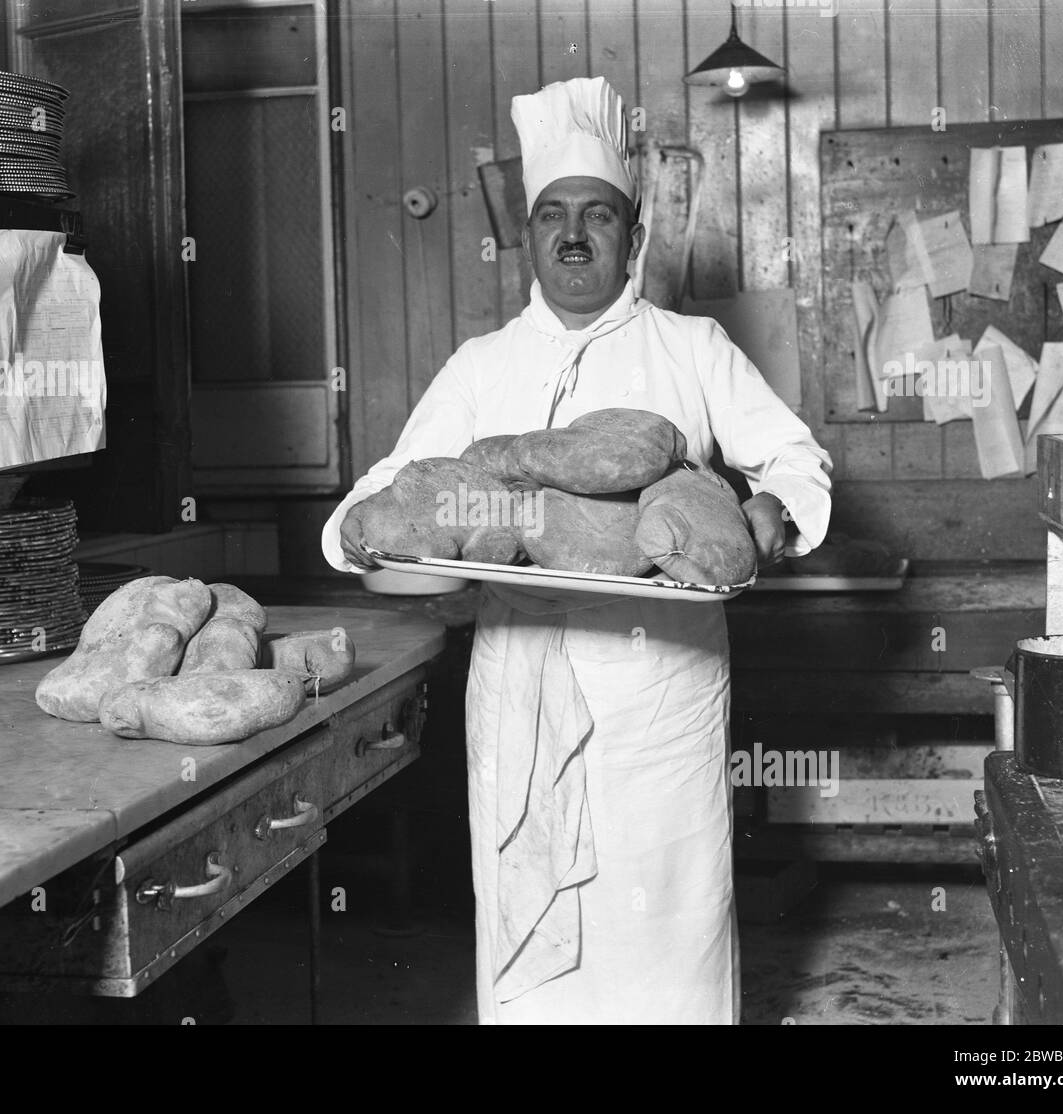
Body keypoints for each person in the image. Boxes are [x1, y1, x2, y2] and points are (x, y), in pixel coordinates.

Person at [321, 76, 832, 1024]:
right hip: (520, 691)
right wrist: (362, 539)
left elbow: (797, 460)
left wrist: (770, 511)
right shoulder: (483, 370)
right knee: (539, 967)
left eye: (597, 215)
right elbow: (378, 498)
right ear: (526, 236)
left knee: (665, 950)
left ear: (632, 238)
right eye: (552, 215)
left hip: (660, 702)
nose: (572, 235)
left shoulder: (692, 348)